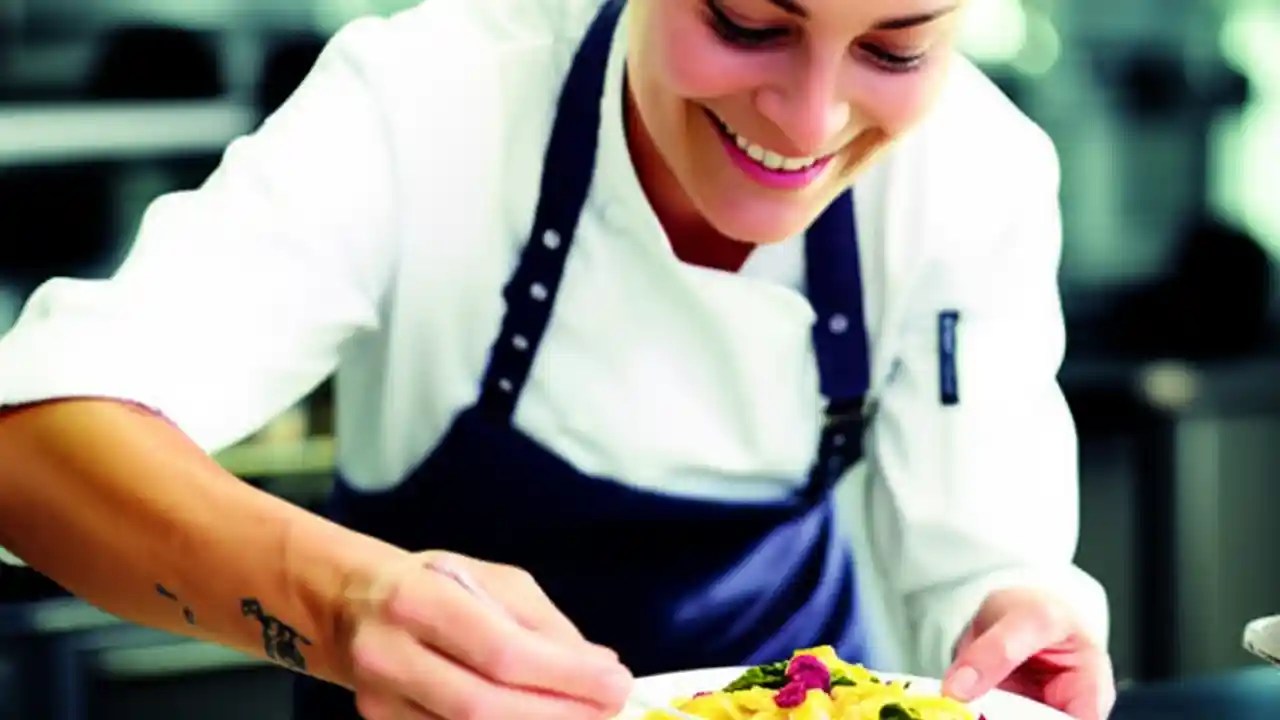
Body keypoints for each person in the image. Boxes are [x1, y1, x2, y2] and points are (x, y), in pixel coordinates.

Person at [0, 0, 1117, 718]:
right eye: (745, 22)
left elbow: (976, 554)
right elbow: (33, 440)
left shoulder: (976, 168)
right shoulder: (434, 97)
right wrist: (343, 604)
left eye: (895, 46)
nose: (809, 117)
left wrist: (1012, 617)